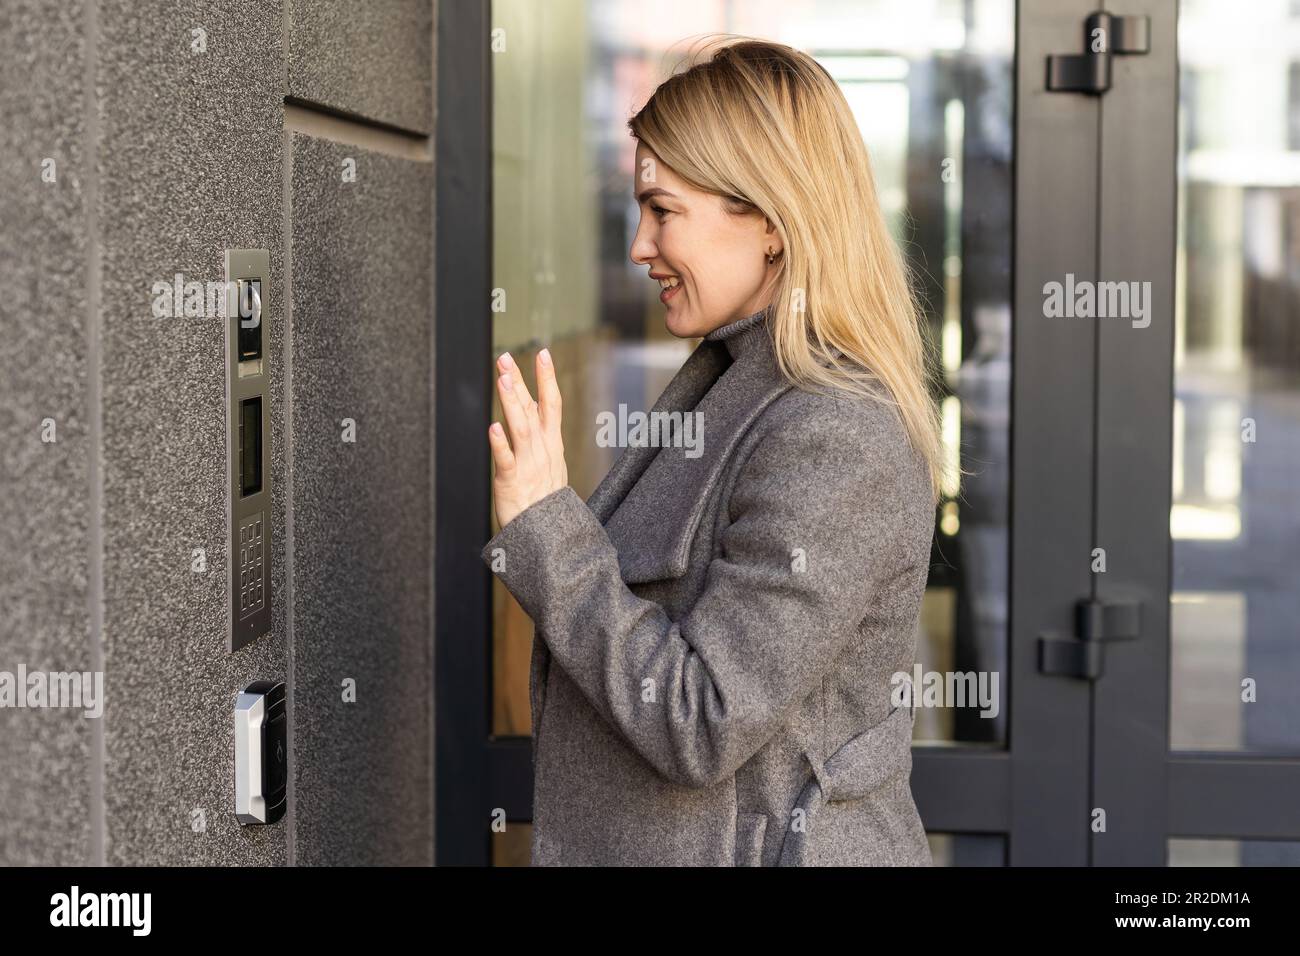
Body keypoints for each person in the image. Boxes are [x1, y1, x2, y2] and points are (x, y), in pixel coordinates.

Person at [481, 37, 942, 866]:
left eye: (663, 212)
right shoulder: (737, 384)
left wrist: (550, 531)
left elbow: (703, 715)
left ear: (767, 219)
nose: (639, 247)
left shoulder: (835, 432)